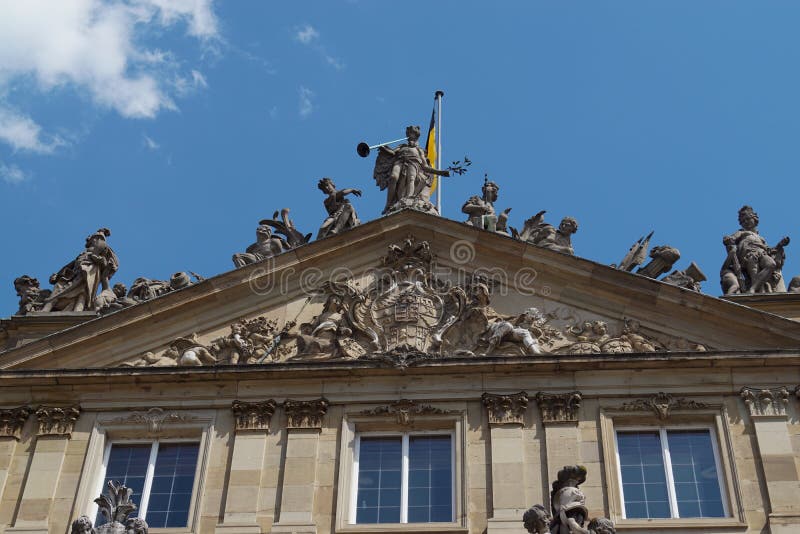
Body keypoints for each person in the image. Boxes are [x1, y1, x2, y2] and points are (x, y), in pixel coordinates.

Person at [373, 125, 448, 213]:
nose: (409, 135)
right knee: (393, 177)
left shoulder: (419, 150)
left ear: (416, 136)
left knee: (411, 179)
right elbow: (393, 152)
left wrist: (440, 172)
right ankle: (388, 204)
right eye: (408, 133)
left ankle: (409, 199)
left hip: (414, 164)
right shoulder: (402, 146)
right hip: (400, 162)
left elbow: (425, 167)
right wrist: (384, 148)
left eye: (411, 133)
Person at [720, 205, 789, 294]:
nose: (745, 222)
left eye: (747, 219)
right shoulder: (741, 232)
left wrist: (780, 244)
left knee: (771, 264)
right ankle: (754, 290)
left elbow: (770, 251)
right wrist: (728, 239)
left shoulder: (761, 238)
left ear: (754, 218)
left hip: (762, 253)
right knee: (754, 275)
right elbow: (731, 239)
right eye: (743, 221)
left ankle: (753, 288)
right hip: (749, 255)